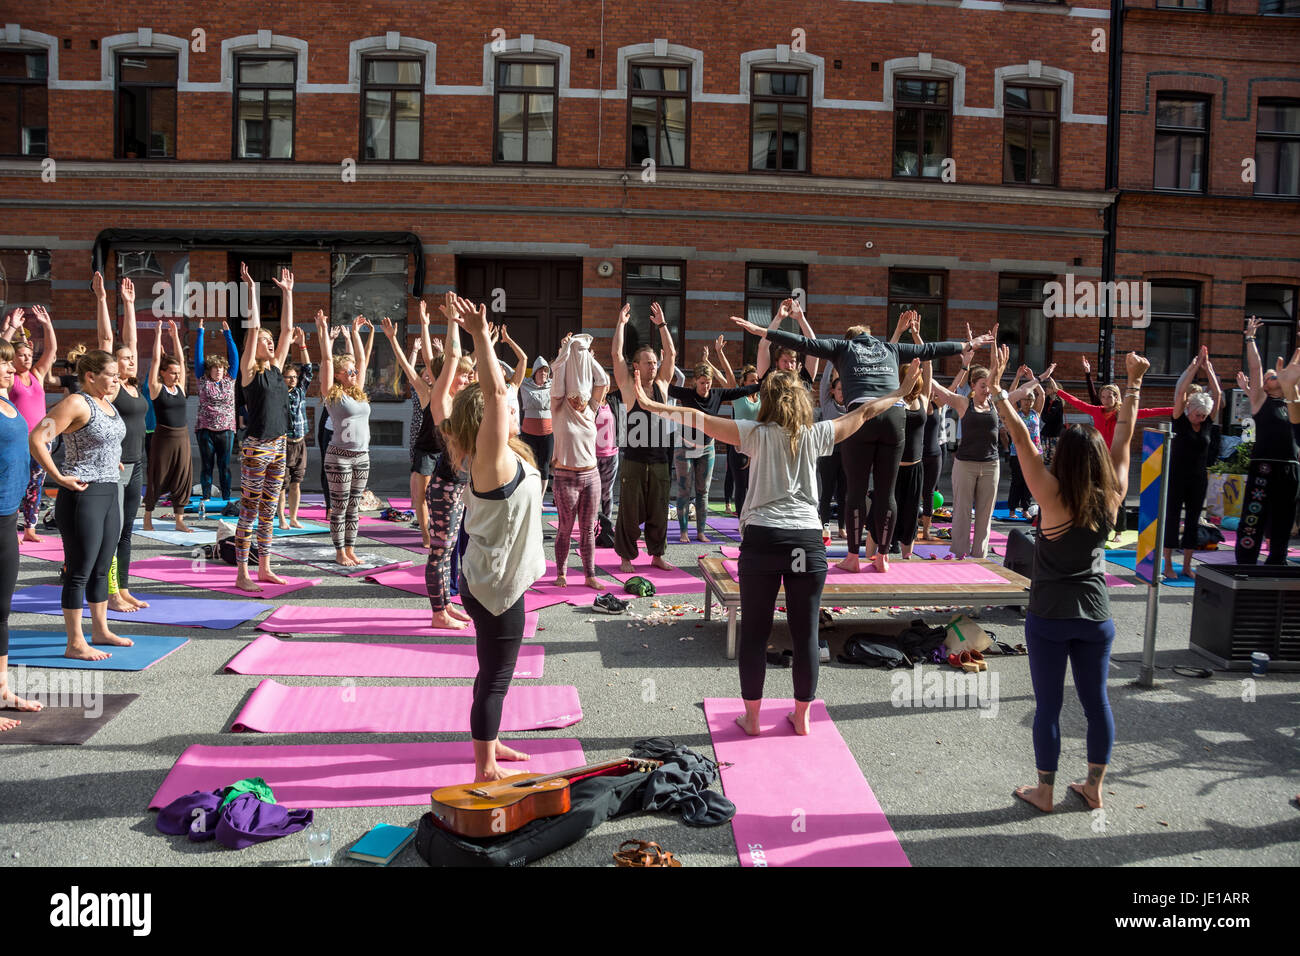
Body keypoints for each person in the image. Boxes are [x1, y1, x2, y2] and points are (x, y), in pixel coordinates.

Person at [631, 359, 924, 735]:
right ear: (802, 402)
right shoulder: (816, 433)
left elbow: (695, 417)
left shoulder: (753, 432)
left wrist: (651, 403)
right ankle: (801, 717)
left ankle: (752, 719)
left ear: (766, 401)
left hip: (764, 539)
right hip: (804, 540)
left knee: (755, 631)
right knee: (806, 633)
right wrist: (899, 393)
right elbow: (865, 412)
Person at [1003, 345, 1149, 814]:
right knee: (1096, 703)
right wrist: (1133, 382)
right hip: (1096, 615)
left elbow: (1022, 440)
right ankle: (1093, 787)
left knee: (1048, 706)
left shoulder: (1049, 493)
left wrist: (1003, 393)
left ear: (1063, 457)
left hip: (1048, 614)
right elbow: (1123, 436)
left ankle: (1044, 792)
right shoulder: (1112, 496)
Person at [738, 309, 991, 572]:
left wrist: (763, 332)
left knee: (856, 491)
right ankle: (882, 557)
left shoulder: (843, 348)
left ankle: (852, 557)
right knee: (886, 491)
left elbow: (805, 343)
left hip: (861, 417)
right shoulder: (888, 349)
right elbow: (930, 350)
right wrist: (967, 345)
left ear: (851, 339)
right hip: (894, 416)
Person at [439, 295, 546, 782]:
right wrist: (480, 335)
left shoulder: (500, 457)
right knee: (496, 679)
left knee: (491, 673)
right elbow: (499, 395)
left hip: (493, 579)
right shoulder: (491, 459)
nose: (509, 397)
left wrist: (455, 338)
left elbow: (473, 395)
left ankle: (492, 742)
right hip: (494, 587)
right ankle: (484, 767)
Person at [29, 349, 133, 661]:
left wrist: (111, 461)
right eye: (110, 374)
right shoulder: (77, 402)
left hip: (108, 490)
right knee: (79, 570)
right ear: (90, 376)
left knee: (102, 567)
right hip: (81, 495)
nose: (116, 379)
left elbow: (104, 440)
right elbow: (37, 437)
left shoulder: (107, 403)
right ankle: (74, 642)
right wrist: (58, 476)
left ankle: (100, 630)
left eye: (117, 374)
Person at [1053, 366, 1173, 539]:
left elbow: (1148, 412)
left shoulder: (1123, 413)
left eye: (1110, 396)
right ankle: (1095, 523)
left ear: (1116, 397)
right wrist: (1058, 391)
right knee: (1096, 490)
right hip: (1099, 457)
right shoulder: (1097, 411)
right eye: (1103, 396)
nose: (1106, 399)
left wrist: (1174, 409)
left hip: (1117, 460)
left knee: (1118, 494)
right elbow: (1077, 403)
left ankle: (1118, 530)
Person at [413, 296, 475, 628]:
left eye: (467, 377)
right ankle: (438, 613)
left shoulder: (459, 402)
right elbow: (451, 357)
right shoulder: (440, 397)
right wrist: (452, 321)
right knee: (439, 551)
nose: (465, 379)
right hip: (444, 486)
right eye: (462, 377)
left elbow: (462, 361)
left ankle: (446, 605)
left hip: (457, 485)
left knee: (449, 551)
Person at [234, 262, 295, 593]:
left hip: (280, 444)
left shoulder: (276, 368)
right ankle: (242, 572)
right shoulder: (249, 371)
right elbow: (255, 329)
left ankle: (265, 568)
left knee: (270, 510)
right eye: (265, 341)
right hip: (256, 447)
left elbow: (286, 331)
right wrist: (252, 291)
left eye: (272, 342)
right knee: (250, 510)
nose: (270, 343)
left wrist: (287, 294)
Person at [93, 273, 151, 611]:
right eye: (125, 359)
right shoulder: (112, 387)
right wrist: (103, 299)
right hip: (114, 465)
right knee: (111, 532)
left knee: (127, 531)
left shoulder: (134, 385)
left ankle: (124, 587)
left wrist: (130, 305)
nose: (131, 360)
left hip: (137, 464)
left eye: (131, 358)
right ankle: (111, 593)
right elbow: (106, 339)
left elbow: (132, 342)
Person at [611, 302, 677, 573]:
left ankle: (657, 554)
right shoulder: (628, 387)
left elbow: (671, 353)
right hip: (634, 461)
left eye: (654, 363)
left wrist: (662, 325)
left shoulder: (661, 385)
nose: (653, 366)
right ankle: (626, 557)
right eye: (648, 363)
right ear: (636, 365)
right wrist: (621, 324)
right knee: (628, 511)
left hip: (660, 460)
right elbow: (616, 354)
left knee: (659, 510)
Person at [668, 358, 759, 543]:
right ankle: (684, 531)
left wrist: (762, 384)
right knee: (684, 490)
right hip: (685, 446)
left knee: (703, 491)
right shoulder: (686, 394)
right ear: (695, 382)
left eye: (708, 383)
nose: (705, 386)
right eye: (702, 383)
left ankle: (701, 532)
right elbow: (665, 387)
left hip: (707, 448)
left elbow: (740, 391)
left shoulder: (716, 395)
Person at [0, 338, 42, 730]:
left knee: (2, 610)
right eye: (4, 364)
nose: (11, 369)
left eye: (11, 364)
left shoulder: (10, 405)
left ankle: (2, 689)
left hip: (8, 517)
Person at [1235, 316, 1299, 565]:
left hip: (1289, 468)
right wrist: (1250, 338)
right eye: (1271, 376)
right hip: (1264, 466)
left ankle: (1278, 559)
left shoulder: (1294, 403)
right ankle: (1246, 559)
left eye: (1276, 375)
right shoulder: (1261, 400)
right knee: (1254, 514)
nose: (1273, 377)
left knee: (1285, 517)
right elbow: (1255, 368)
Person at [930, 350, 1000, 561]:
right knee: (961, 511)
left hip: (991, 465)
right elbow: (940, 389)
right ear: (973, 385)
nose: (987, 390)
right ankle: (959, 553)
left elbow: (1021, 391)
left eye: (989, 385)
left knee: (985, 514)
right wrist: (922, 364)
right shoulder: (963, 403)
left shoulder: (996, 403)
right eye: (983, 386)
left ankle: (979, 555)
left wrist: (1038, 381)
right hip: (965, 465)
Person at [316, 311, 373, 566]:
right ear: (338, 375)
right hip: (339, 456)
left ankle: (350, 549)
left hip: (362, 457)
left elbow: (362, 358)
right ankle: (339, 552)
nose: (353, 373)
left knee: (354, 508)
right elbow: (327, 359)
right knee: (339, 508)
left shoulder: (358, 392)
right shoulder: (333, 395)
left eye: (354, 371)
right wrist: (323, 333)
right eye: (348, 371)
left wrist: (355, 334)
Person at [1163, 347, 1222, 579]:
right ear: (1190, 410)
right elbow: (1180, 393)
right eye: (1198, 415)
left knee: (1193, 520)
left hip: (1198, 478)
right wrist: (1194, 367)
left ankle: (1187, 566)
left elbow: (1217, 395)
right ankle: (1167, 564)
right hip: (1177, 476)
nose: (1201, 419)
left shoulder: (1207, 423)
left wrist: (1210, 370)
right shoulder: (1180, 420)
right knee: (1172, 518)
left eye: (1204, 416)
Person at [4, 307, 56, 543]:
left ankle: (30, 528)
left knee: (36, 484)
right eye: (21, 355)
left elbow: (52, 351)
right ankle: (10, 528)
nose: (27, 358)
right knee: (18, 482)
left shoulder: (37, 374)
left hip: (43, 439)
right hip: (20, 440)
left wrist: (47, 325)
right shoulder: (8, 379)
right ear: (11, 359)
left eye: (28, 355)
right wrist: (12, 328)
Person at [142, 320, 194, 534]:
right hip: (163, 437)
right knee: (158, 476)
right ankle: (147, 517)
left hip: (182, 437)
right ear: (163, 373)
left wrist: (174, 337)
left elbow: (182, 360)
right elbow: (155, 360)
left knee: (183, 476)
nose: (176, 375)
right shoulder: (156, 389)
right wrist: (157, 335)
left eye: (177, 373)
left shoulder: (180, 387)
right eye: (172, 372)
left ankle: (179, 519)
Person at [891, 313, 936, 559]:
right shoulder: (894, 398)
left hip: (915, 467)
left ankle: (907, 558)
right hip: (893, 467)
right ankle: (888, 548)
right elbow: (888, 360)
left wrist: (917, 336)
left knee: (910, 514)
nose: (916, 377)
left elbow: (928, 365)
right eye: (911, 374)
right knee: (889, 511)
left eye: (916, 375)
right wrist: (898, 333)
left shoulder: (923, 399)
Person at [193, 316, 239, 503]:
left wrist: (228, 335)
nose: (218, 371)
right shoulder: (202, 379)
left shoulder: (230, 379)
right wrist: (200, 333)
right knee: (206, 465)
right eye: (215, 368)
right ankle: (206, 497)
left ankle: (227, 498)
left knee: (224, 465)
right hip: (205, 429)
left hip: (226, 429)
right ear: (209, 369)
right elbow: (197, 358)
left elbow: (235, 356)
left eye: (221, 368)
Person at [1003, 364, 1049, 520]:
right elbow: (1010, 396)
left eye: (1030, 399)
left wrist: (1032, 379)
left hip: (1035, 452)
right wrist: (1017, 377)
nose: (1027, 402)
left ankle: (1025, 508)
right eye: (1024, 399)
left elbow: (1042, 395)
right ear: (1020, 401)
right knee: (1017, 481)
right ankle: (1011, 509)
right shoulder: (1015, 414)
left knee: (1031, 482)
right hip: (1018, 452)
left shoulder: (1036, 412)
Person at [278, 327, 313, 529]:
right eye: (288, 377)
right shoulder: (278, 391)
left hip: (300, 443)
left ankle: (293, 517)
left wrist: (302, 345)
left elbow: (308, 369)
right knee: (282, 484)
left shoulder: (300, 391)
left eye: (294, 377)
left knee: (296, 482)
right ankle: (282, 518)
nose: (293, 379)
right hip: (283, 443)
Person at [816, 365, 848, 540]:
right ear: (833, 391)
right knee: (827, 491)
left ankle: (842, 527)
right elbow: (823, 382)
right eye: (839, 389)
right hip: (828, 454)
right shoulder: (828, 404)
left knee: (844, 493)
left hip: (847, 455)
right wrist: (831, 360)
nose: (842, 393)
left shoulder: (852, 407)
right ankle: (825, 525)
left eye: (845, 389)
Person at [519, 355, 553, 504]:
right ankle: (529, 497)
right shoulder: (525, 384)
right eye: (541, 371)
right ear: (534, 373)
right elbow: (509, 371)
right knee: (529, 465)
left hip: (547, 434)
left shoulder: (553, 385)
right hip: (529, 434)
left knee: (545, 467)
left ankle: (539, 498)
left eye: (546, 371)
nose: (544, 374)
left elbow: (564, 370)